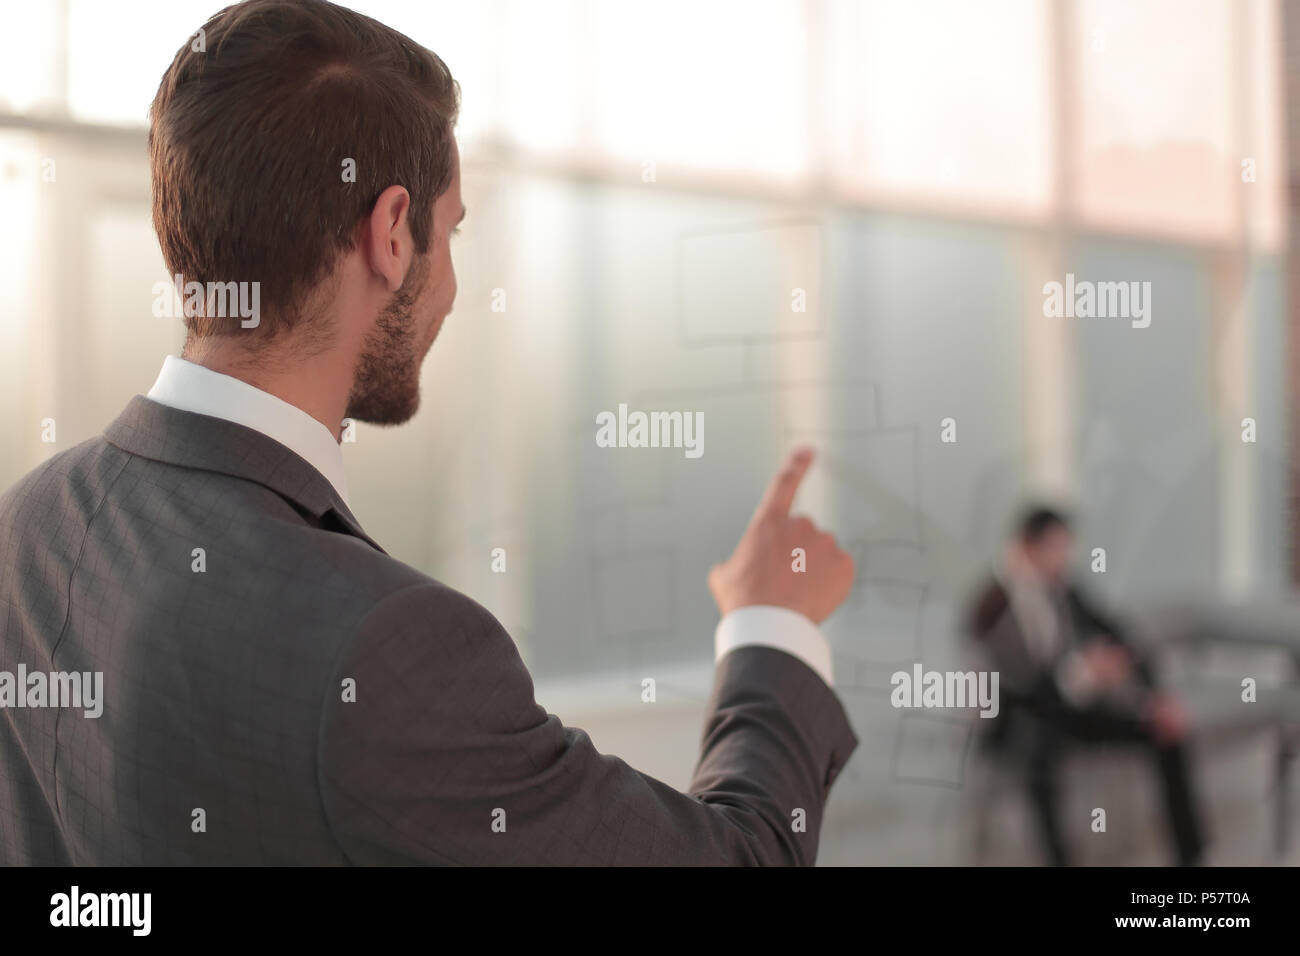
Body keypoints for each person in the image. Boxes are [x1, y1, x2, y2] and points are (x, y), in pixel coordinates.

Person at [0, 0, 858, 865]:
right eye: (450, 232)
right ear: (391, 233)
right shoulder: (389, 648)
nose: (450, 287)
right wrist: (769, 625)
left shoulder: (28, 527)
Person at [967, 506, 1205, 865]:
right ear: (1028, 547)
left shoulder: (1067, 591)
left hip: (1069, 712)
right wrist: (1079, 673)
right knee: (1039, 756)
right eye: (1054, 548)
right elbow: (1018, 684)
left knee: (1165, 733)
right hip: (1019, 720)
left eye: (1065, 548)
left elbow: (1124, 637)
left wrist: (1154, 698)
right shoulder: (993, 603)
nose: (1062, 558)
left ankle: (1193, 855)